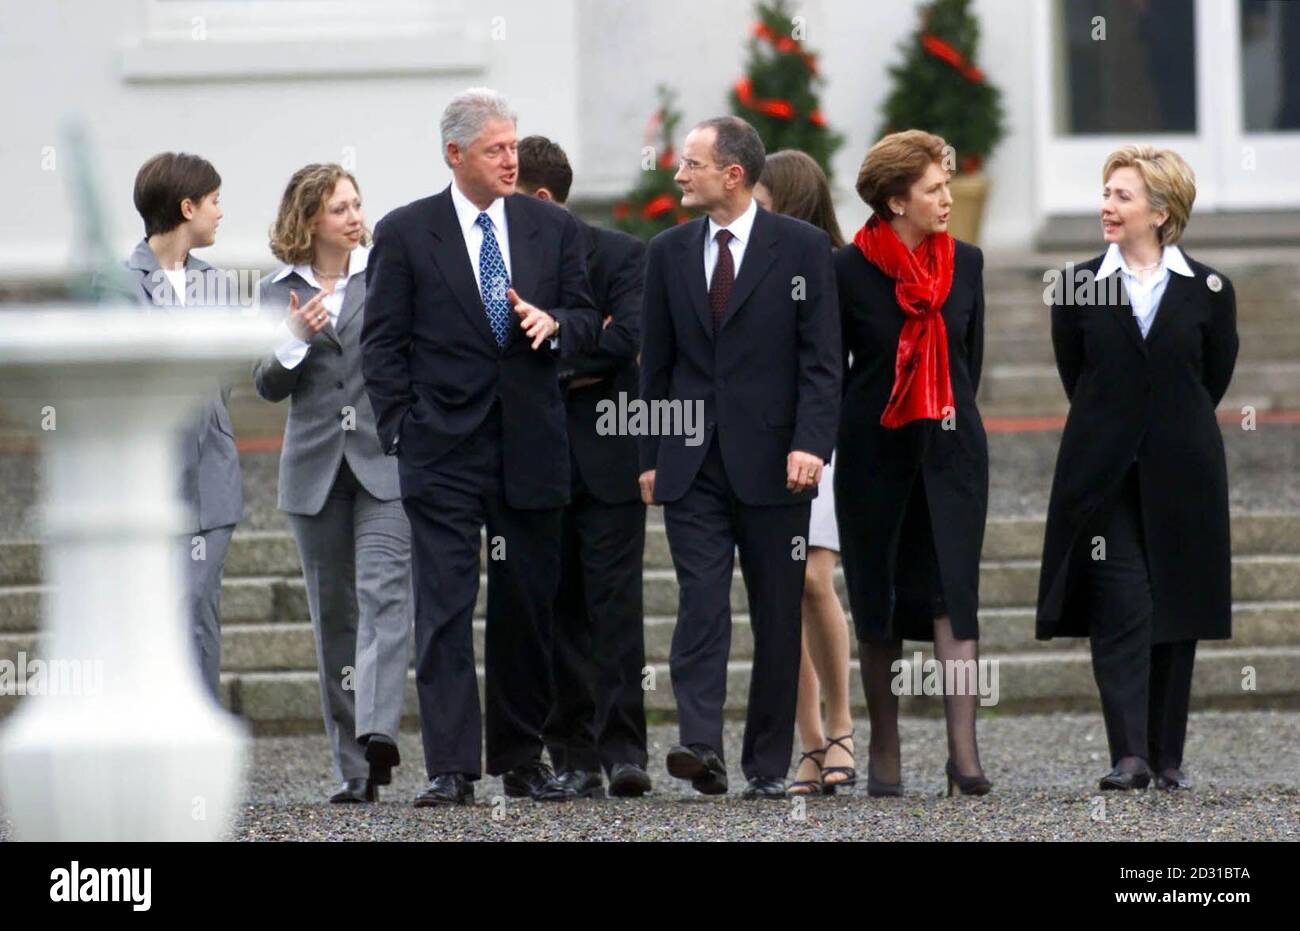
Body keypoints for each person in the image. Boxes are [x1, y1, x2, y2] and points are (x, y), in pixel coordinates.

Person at [361, 88, 601, 806]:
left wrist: (555, 322)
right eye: (496, 148)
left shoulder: (549, 228)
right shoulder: (406, 232)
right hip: (440, 449)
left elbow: (590, 318)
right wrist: (400, 426)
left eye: (514, 146)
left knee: (527, 607)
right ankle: (451, 766)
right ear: (455, 154)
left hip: (531, 443)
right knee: (443, 608)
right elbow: (383, 343)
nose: (511, 159)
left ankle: (521, 757)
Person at [639, 116, 841, 800]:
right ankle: (701, 745)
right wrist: (650, 453)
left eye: (690, 163)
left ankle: (764, 764)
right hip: (692, 463)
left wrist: (812, 444)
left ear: (733, 173)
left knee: (777, 612)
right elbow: (656, 367)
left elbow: (821, 362)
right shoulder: (666, 252)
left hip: (779, 465)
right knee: (700, 601)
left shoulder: (803, 248)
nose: (678, 175)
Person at [1037, 145, 1238, 792]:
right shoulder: (1073, 283)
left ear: (1161, 209)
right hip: (1101, 477)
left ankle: (1166, 755)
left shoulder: (1210, 289)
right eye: (1105, 193)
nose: (1107, 206)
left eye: (1122, 196)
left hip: (1185, 475)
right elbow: (1079, 375)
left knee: (1176, 607)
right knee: (1121, 603)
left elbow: (1210, 378)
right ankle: (1129, 754)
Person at [834, 130, 991, 798]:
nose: (947, 198)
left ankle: (965, 756)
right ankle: (885, 752)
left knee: (955, 599)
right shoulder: (846, 271)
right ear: (896, 200)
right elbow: (831, 369)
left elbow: (969, 362)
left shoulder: (971, 264)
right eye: (934, 188)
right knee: (879, 599)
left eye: (947, 185)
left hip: (952, 454)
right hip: (874, 457)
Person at [254, 164, 412, 804]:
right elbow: (267, 385)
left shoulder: (389, 276)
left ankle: (377, 728)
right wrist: (293, 338)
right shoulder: (275, 291)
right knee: (334, 623)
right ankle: (354, 770)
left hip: (385, 463)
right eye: (339, 208)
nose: (354, 217)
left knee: (386, 595)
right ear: (309, 220)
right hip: (315, 470)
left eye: (356, 205)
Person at [515, 136, 652, 799]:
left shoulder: (623, 253)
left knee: (615, 606)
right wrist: (583, 340)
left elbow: (628, 339)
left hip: (609, 450)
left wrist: (560, 342)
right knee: (555, 608)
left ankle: (626, 749)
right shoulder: (508, 261)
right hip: (538, 452)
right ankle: (572, 752)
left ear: (542, 198)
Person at [753, 150, 855, 796]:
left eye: (762, 201)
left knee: (815, 577)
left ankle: (842, 724)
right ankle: (811, 743)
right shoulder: (750, 263)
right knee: (782, 588)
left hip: (824, 439)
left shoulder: (831, 267)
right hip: (763, 441)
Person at [123, 152, 242, 700]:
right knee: (152, 613)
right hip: (148, 485)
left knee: (198, 608)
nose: (221, 212)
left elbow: (230, 376)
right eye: (214, 201)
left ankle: (203, 740)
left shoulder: (218, 285)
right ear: (187, 206)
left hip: (212, 481)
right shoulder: (118, 287)